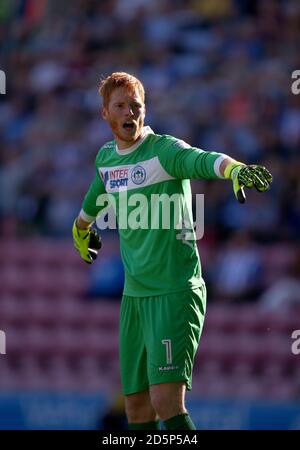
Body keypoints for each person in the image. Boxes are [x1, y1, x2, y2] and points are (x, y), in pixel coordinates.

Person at [72, 72, 272, 430]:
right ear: (105, 113)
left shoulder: (164, 151)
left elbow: (203, 160)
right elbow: (94, 197)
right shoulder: (106, 159)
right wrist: (80, 228)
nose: (129, 112)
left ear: (145, 111)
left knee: (166, 402)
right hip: (134, 298)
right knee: (135, 408)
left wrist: (235, 170)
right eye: (120, 106)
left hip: (174, 292)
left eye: (136, 105)